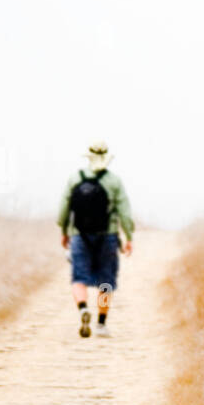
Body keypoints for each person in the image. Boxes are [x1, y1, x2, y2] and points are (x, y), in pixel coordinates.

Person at [57, 141, 134, 338]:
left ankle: (83, 309)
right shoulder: (114, 181)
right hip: (107, 236)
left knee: (79, 278)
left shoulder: (75, 178)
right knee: (106, 281)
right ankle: (101, 324)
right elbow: (124, 212)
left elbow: (63, 210)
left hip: (79, 235)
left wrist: (65, 231)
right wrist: (129, 236)